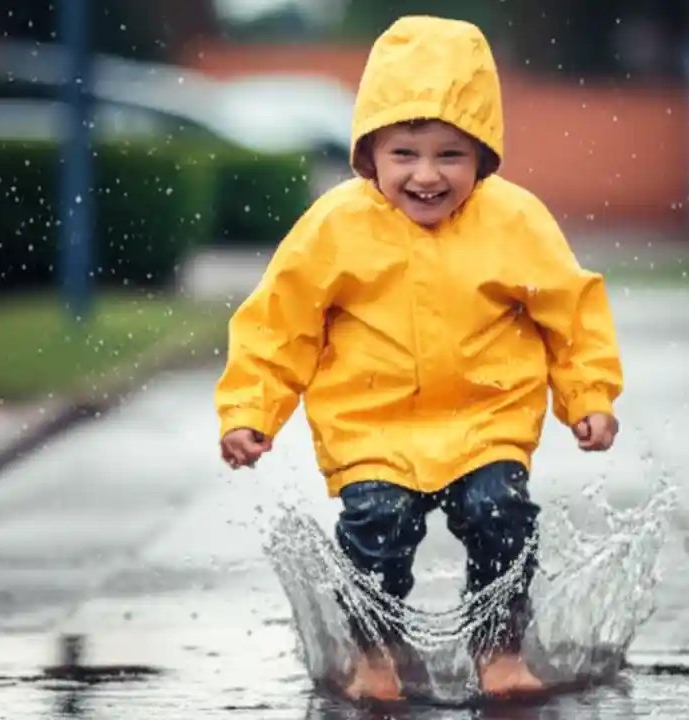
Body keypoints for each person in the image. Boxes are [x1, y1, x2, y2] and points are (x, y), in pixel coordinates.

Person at [215, 14, 624, 702]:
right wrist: (252, 410)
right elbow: (279, 323)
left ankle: (500, 651)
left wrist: (589, 396)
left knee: (501, 516)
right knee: (378, 528)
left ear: (484, 155)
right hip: (372, 429)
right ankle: (376, 656)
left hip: (484, 423)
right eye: (404, 153)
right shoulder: (336, 225)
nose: (427, 175)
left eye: (450, 155)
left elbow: (570, 310)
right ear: (369, 150)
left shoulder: (514, 219)